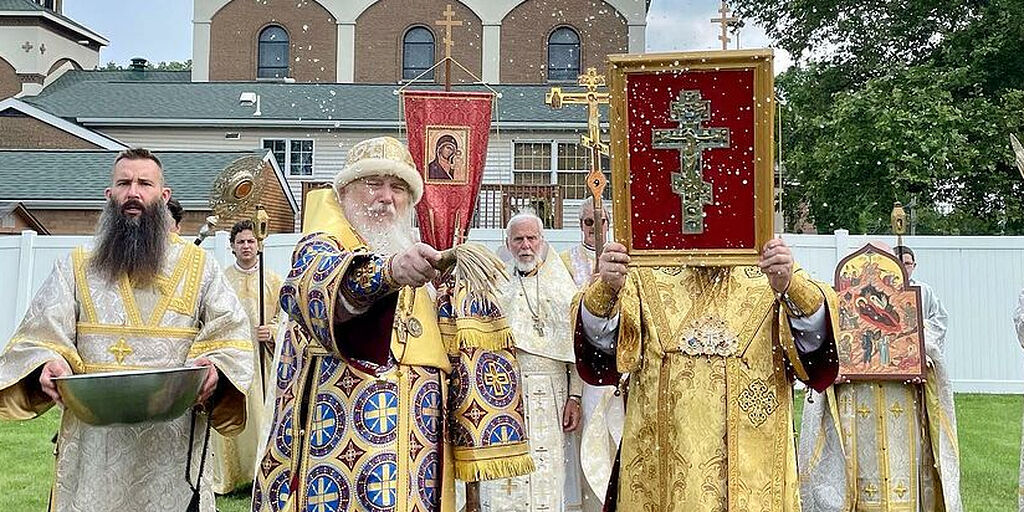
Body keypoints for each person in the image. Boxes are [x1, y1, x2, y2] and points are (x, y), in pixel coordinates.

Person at [252, 136, 532, 512]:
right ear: (346, 191)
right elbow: (316, 289)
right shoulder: (321, 246)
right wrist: (389, 272)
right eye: (373, 184)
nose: (386, 197)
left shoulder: (421, 263)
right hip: (333, 459)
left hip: (421, 459)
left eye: (398, 187)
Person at [0, 148, 253, 512]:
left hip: (171, 449)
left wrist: (215, 367)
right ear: (110, 195)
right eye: (124, 183)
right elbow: (40, 335)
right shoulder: (76, 265)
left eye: (144, 183)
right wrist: (50, 362)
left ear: (163, 197)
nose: (133, 192)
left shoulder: (201, 268)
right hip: (93, 452)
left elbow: (231, 335)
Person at [575, 238, 839, 511]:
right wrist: (606, 289)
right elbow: (602, 353)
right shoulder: (643, 268)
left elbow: (816, 348)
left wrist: (788, 287)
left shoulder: (771, 267)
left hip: (754, 465)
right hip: (662, 463)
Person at [800, 243, 962, 511]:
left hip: (901, 404)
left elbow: (930, 353)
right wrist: (831, 372)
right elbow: (818, 359)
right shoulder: (834, 309)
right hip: (853, 406)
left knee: (903, 482)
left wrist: (921, 367)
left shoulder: (908, 310)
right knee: (855, 482)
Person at [480, 209, 582, 511]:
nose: (525, 245)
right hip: (503, 391)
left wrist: (574, 395)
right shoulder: (494, 286)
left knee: (546, 470)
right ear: (508, 243)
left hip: (551, 391)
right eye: (518, 239)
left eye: (531, 238)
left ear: (542, 240)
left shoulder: (562, 284)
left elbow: (574, 346)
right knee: (505, 476)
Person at [208, 220, 283, 494]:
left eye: (251, 241)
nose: (246, 246)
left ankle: (261, 475)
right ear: (232, 247)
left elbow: (286, 319)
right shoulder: (222, 281)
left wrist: (272, 331)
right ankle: (231, 477)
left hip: (263, 361)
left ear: (259, 244)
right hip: (233, 362)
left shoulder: (273, 280)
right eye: (240, 242)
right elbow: (214, 319)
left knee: (263, 417)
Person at [560, 201, 622, 512]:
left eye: (601, 222)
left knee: (620, 443)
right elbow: (566, 317)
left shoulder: (623, 259)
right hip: (586, 371)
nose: (595, 229)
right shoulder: (564, 263)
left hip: (621, 367)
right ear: (579, 224)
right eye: (588, 222)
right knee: (589, 447)